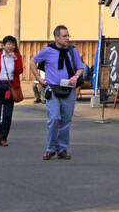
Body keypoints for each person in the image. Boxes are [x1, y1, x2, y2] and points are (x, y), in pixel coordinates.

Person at [33, 25, 85, 160]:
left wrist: (76, 76)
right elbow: (32, 61)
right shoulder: (48, 51)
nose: (68, 38)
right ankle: (51, 148)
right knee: (54, 118)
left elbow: (80, 68)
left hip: (69, 88)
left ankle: (62, 149)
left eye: (68, 36)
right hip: (53, 88)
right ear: (56, 37)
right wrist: (38, 78)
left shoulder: (73, 51)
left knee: (66, 120)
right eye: (64, 36)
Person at [0, 35, 25, 146]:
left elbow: (19, 71)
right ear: (3, 45)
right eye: (8, 44)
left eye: (13, 44)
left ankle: (3, 137)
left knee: (7, 115)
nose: (11, 46)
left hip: (10, 87)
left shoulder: (17, 57)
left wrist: (15, 60)